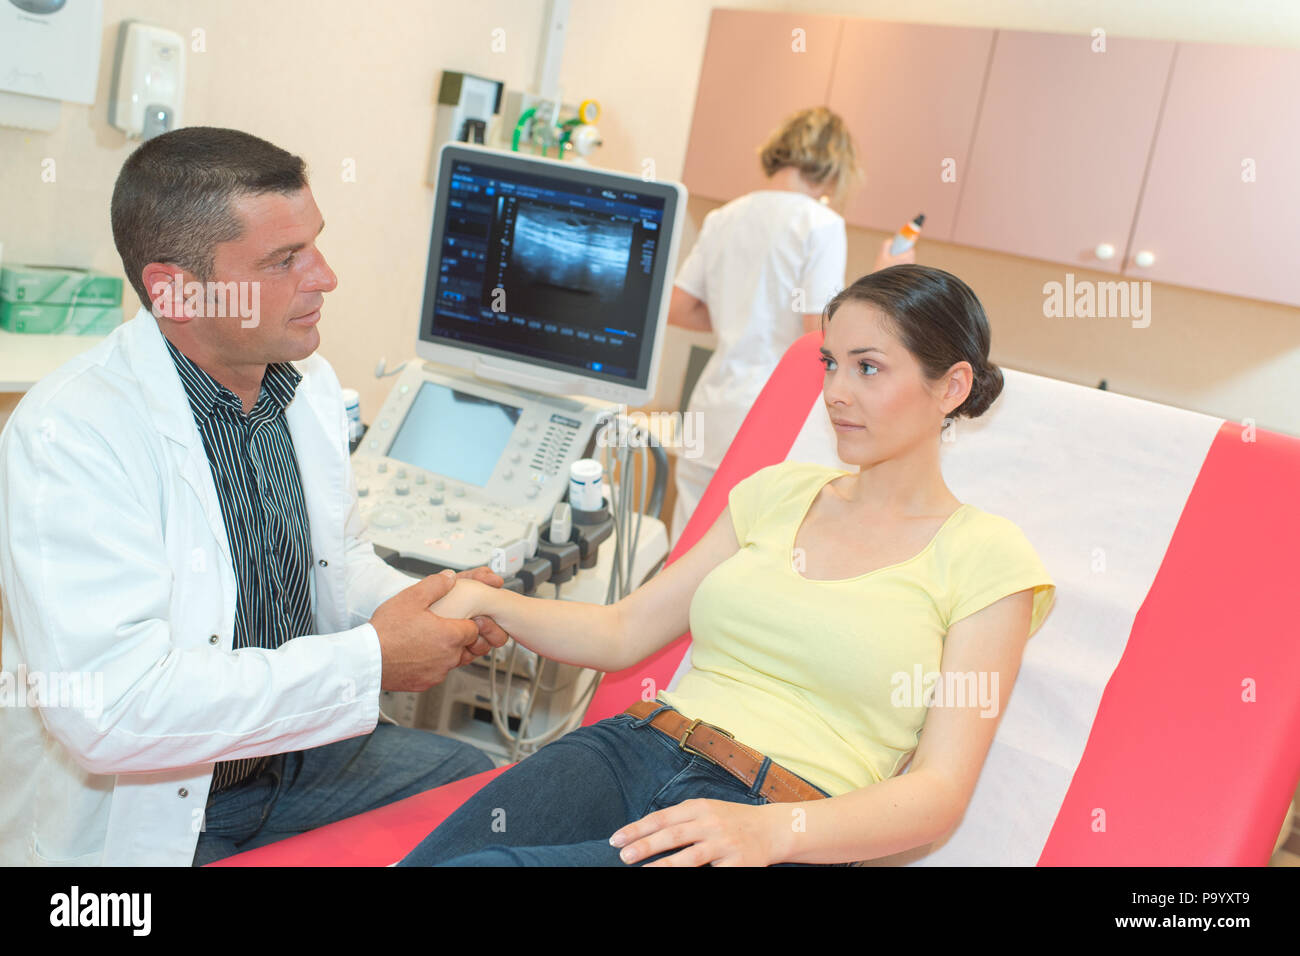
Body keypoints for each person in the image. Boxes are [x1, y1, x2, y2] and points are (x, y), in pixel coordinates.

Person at [397, 264, 1057, 867]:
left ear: (952, 386)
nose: (835, 392)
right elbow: (624, 631)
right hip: (632, 750)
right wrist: (491, 602)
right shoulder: (777, 493)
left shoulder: (987, 557)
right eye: (830, 364)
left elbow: (940, 792)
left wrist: (773, 833)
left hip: (777, 819)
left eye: (868, 368)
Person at [0, 127, 509, 867]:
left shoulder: (305, 386)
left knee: (479, 794)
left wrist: (421, 604)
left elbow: (336, 563)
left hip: (299, 760)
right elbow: (108, 709)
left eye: (315, 245)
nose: (325, 277)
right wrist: (372, 663)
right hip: (158, 806)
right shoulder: (71, 435)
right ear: (173, 288)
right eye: (284, 261)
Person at [667, 106, 915, 550]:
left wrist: (738, 316)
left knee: (685, 551)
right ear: (833, 168)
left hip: (711, 409)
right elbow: (823, 332)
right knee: (743, 558)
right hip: (769, 413)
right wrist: (885, 277)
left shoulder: (726, 215)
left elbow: (679, 307)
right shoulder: (819, 223)